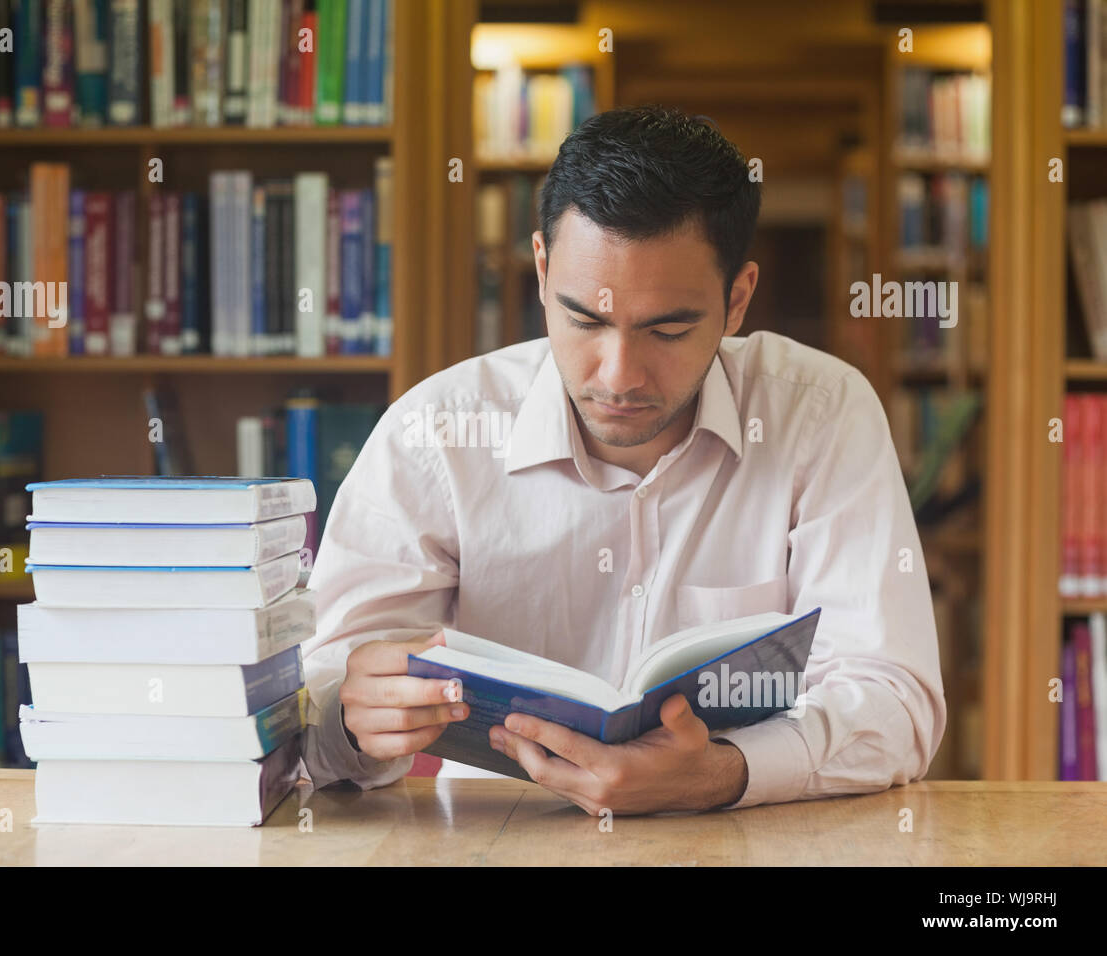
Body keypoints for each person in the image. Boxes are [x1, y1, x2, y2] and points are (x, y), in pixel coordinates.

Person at [299, 104, 945, 814]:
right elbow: (313, 718)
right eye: (585, 319)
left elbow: (896, 701)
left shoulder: (819, 415)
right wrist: (353, 723)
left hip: (752, 844)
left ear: (737, 301)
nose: (618, 376)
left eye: (667, 329)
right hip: (499, 844)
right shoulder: (438, 433)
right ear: (542, 270)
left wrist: (722, 772)